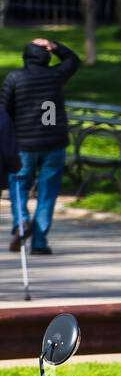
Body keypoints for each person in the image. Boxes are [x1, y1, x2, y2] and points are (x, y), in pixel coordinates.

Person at [3, 38, 80, 256]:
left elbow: (4, 112)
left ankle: (21, 223)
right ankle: (39, 242)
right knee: (48, 193)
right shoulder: (56, 76)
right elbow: (73, 60)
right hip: (54, 144)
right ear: (46, 56)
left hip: (24, 145)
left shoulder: (15, 79)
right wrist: (55, 46)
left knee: (18, 186)